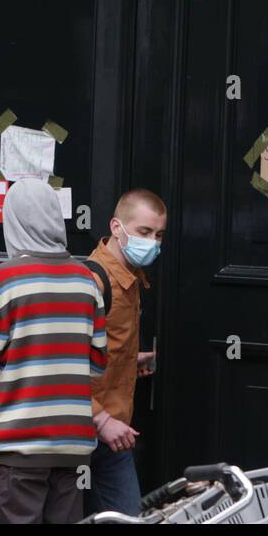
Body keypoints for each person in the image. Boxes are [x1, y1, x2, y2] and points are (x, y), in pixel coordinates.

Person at [0, 178, 107, 523]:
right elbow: (97, 366)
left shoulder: (3, 279)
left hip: (17, 444)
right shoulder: (86, 280)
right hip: (71, 445)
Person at [84, 189, 166, 517]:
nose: (154, 242)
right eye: (145, 232)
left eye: (159, 235)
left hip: (114, 434)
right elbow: (63, 362)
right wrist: (99, 419)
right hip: (85, 430)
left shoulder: (130, 277)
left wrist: (132, 361)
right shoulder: (94, 281)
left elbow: (102, 350)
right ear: (117, 228)